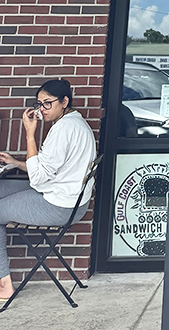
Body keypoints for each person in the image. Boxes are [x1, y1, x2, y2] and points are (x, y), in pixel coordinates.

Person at [0, 79, 97, 301]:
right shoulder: (73, 122)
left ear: (64, 101)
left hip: (58, 205)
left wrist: (30, 134)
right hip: (63, 195)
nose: (41, 110)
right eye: (39, 104)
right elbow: (48, 170)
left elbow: (38, 179)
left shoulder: (64, 130)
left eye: (47, 104)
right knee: (2, 186)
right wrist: (16, 163)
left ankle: (4, 283)